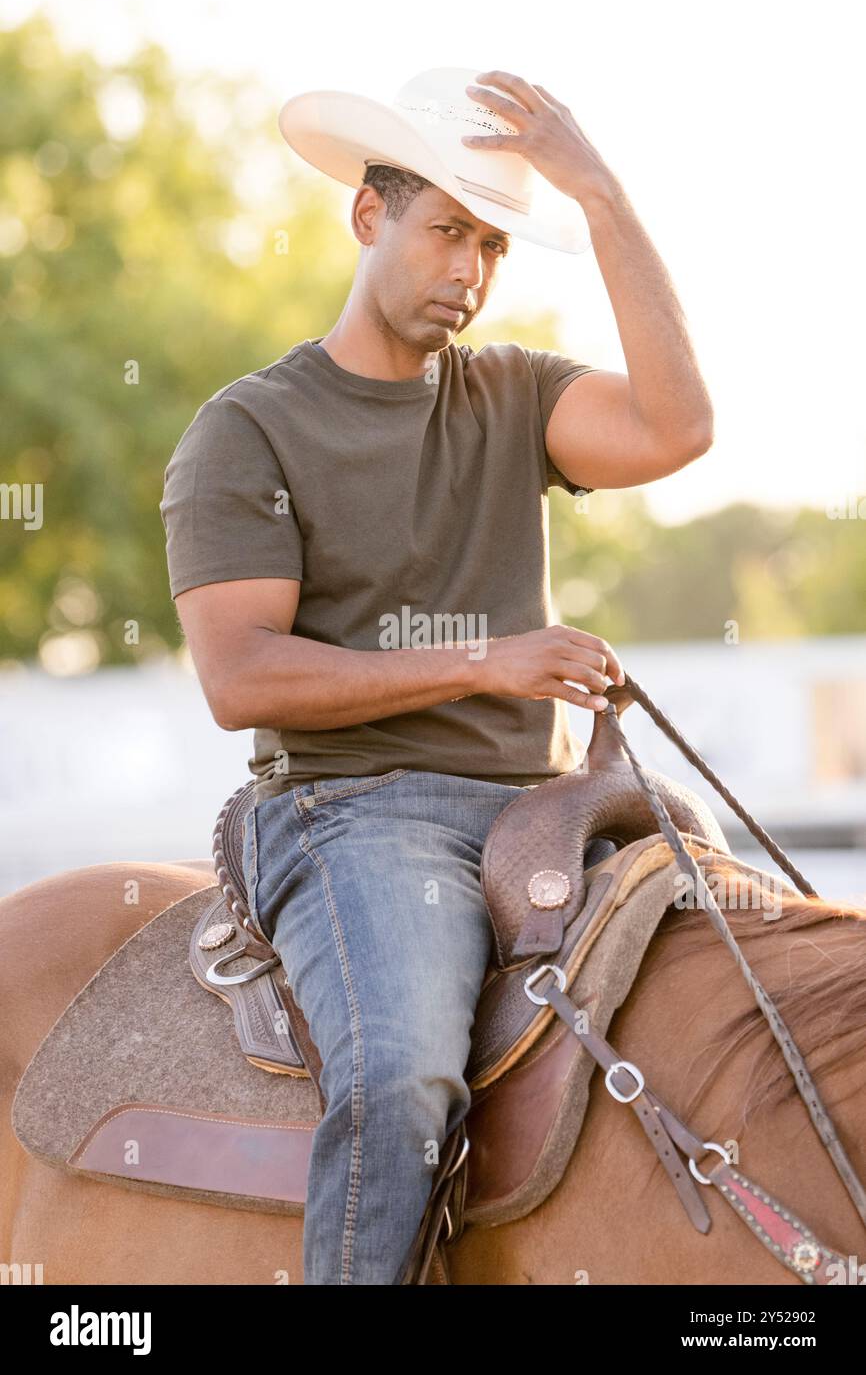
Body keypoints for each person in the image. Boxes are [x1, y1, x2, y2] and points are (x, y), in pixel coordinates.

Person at [159, 66, 713, 1284]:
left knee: (754, 961)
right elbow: (239, 675)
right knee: (403, 1075)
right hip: (352, 811)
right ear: (368, 217)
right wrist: (489, 657)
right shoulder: (247, 430)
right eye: (445, 230)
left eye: (493, 245)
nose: (467, 270)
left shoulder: (515, 393)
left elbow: (676, 429)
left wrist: (603, 196)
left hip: (546, 811)